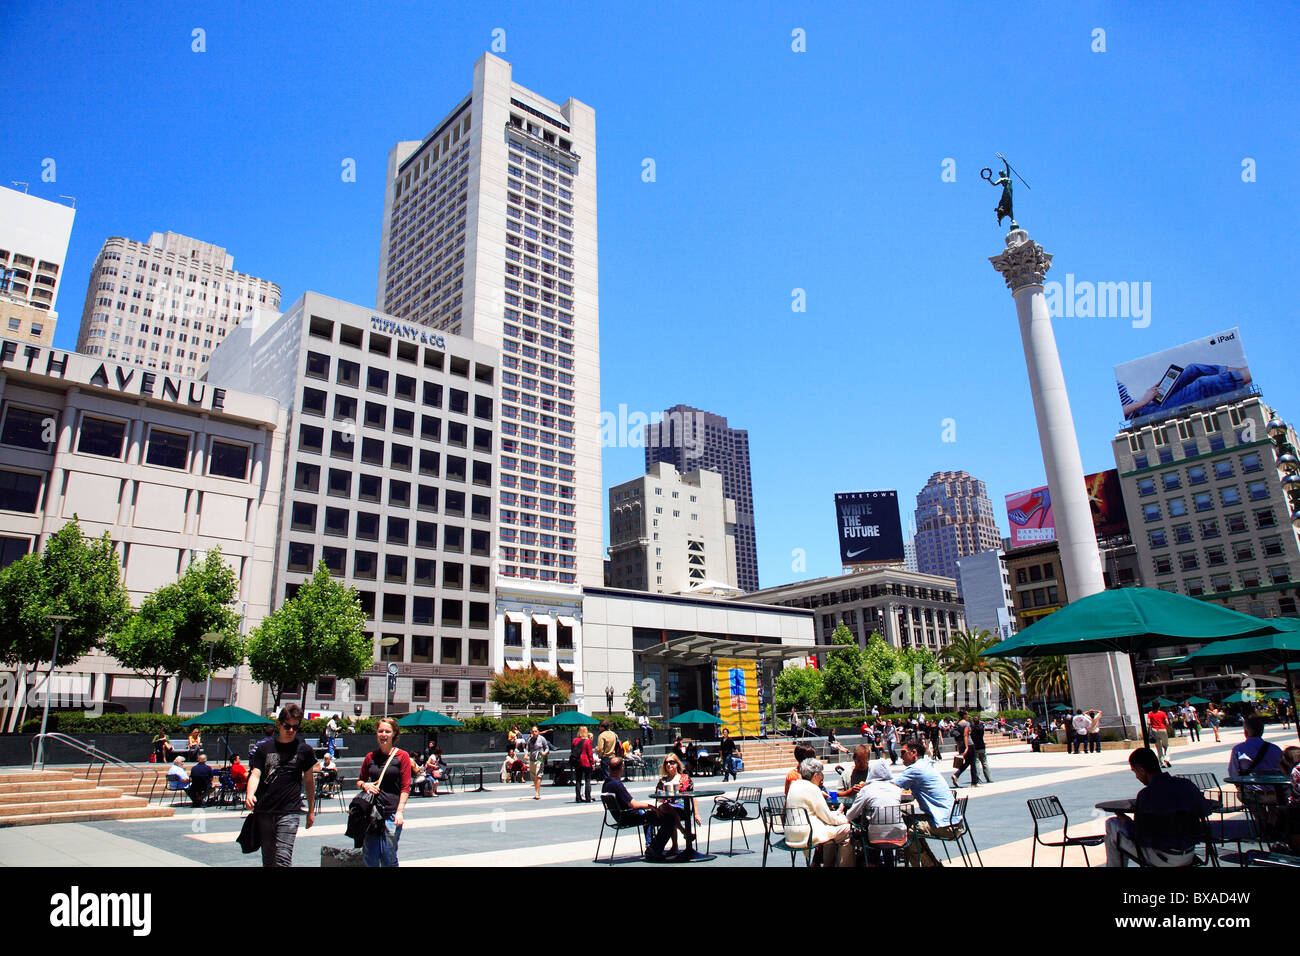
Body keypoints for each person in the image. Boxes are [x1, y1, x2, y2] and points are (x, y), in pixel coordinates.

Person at [1104, 747, 1215, 866]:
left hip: (1161, 858)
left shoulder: (1146, 795)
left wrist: (1126, 821)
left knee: (1112, 823)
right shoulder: (1186, 785)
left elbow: (1138, 835)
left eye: (1135, 772)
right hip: (1189, 854)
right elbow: (1205, 809)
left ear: (1141, 770)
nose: (1136, 777)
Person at [246, 703, 318, 868]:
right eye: (287, 726)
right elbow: (256, 773)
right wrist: (250, 794)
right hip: (265, 810)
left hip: (289, 811)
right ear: (278, 725)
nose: (291, 730)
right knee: (269, 860)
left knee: (283, 860)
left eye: (295, 727)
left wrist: (311, 810)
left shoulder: (304, 750)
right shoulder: (264, 748)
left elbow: (309, 781)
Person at [894, 738, 961, 867]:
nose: (900, 756)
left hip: (945, 825)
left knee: (905, 829)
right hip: (954, 820)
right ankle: (931, 863)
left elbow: (891, 787)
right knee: (909, 821)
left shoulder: (915, 769)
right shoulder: (926, 764)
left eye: (903, 752)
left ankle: (929, 865)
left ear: (913, 753)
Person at [356, 717, 412, 867]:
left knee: (388, 856)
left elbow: (406, 787)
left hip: (391, 814)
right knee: (370, 857)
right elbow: (359, 780)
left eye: (387, 731)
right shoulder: (370, 757)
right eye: (380, 731)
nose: (383, 734)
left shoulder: (402, 756)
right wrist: (365, 785)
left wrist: (400, 811)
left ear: (394, 734)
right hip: (372, 814)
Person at [602, 755, 679, 862]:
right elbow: (633, 804)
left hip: (619, 816)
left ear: (609, 768)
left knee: (646, 813)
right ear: (621, 768)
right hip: (627, 817)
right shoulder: (617, 785)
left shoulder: (606, 784)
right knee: (669, 819)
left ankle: (650, 845)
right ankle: (654, 849)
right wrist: (652, 806)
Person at [785, 758, 854, 867]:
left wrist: (837, 813)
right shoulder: (813, 789)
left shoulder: (794, 785)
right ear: (815, 775)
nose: (822, 777)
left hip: (791, 834)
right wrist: (846, 819)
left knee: (830, 840)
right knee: (848, 829)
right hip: (807, 834)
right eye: (821, 773)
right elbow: (828, 818)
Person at [657, 755, 701, 854]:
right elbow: (659, 798)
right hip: (666, 808)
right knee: (666, 808)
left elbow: (693, 797)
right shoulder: (663, 781)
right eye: (666, 763)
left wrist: (696, 814)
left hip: (682, 808)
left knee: (668, 812)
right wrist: (662, 794)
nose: (669, 764)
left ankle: (675, 846)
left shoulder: (685, 778)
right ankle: (684, 832)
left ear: (677, 764)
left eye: (672, 762)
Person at [1228, 714, 1284, 780]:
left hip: (1248, 789)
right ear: (1262, 731)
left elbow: (1233, 774)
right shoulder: (1275, 749)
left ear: (1245, 732)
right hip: (1275, 788)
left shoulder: (1238, 749)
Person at [952, 709, 978, 788]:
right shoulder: (966, 723)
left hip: (961, 744)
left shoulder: (957, 723)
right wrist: (967, 746)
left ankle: (956, 775)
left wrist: (960, 746)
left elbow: (956, 735)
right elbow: (965, 735)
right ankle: (974, 782)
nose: (968, 715)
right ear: (964, 715)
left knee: (967, 762)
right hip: (969, 744)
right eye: (967, 714)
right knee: (973, 762)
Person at [571, 725, 596, 803]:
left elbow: (573, 750)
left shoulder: (575, 740)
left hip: (577, 762)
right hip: (586, 762)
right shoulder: (588, 741)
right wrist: (592, 763)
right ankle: (588, 798)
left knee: (578, 780)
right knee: (587, 780)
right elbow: (590, 754)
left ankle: (578, 798)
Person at [525, 725, 550, 800]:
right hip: (532, 759)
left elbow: (547, 748)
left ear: (538, 732)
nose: (534, 732)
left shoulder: (542, 739)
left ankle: (537, 793)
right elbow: (527, 749)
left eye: (535, 731)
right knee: (533, 777)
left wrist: (545, 753)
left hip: (540, 758)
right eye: (533, 731)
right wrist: (526, 754)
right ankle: (536, 790)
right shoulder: (530, 739)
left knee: (538, 775)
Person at [970, 714, 993, 783]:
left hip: (975, 746)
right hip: (982, 745)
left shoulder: (972, 728)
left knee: (976, 763)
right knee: (985, 762)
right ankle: (989, 778)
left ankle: (978, 780)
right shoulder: (981, 727)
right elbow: (981, 725)